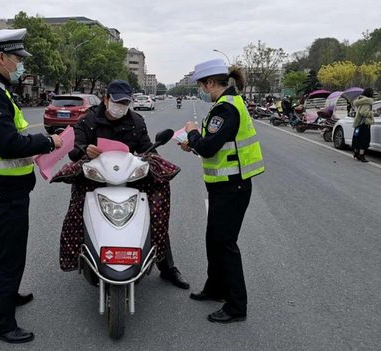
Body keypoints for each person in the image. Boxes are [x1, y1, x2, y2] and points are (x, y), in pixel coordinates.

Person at [0, 28, 63, 344]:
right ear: (2, 57)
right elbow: (7, 143)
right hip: (0, 189)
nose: (21, 64)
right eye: (18, 58)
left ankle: (9, 295)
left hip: (7, 188)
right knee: (7, 254)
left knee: (11, 249)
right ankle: (1, 324)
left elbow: (13, 136)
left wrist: (39, 140)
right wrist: (47, 141)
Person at [59, 79, 189, 289]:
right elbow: (74, 150)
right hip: (96, 178)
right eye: (117, 102)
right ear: (106, 98)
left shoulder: (136, 121)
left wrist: (149, 159)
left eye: (125, 103)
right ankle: (77, 257)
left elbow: (148, 149)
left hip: (129, 178)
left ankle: (167, 267)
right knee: (76, 209)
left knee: (156, 209)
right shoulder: (89, 119)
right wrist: (85, 149)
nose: (120, 107)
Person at [180, 59, 264, 323]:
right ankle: (215, 288)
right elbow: (213, 143)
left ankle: (236, 306)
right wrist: (193, 144)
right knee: (213, 240)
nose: (201, 90)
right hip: (224, 186)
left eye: (201, 85)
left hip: (232, 187)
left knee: (225, 244)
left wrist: (193, 134)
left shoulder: (225, 109)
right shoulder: (228, 104)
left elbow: (208, 147)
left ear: (210, 83)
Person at [352, 88, 375, 162]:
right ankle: (361, 156)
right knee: (364, 140)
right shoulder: (367, 101)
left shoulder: (360, 100)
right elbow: (363, 112)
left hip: (358, 123)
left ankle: (356, 153)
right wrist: (372, 113)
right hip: (364, 123)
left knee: (357, 139)